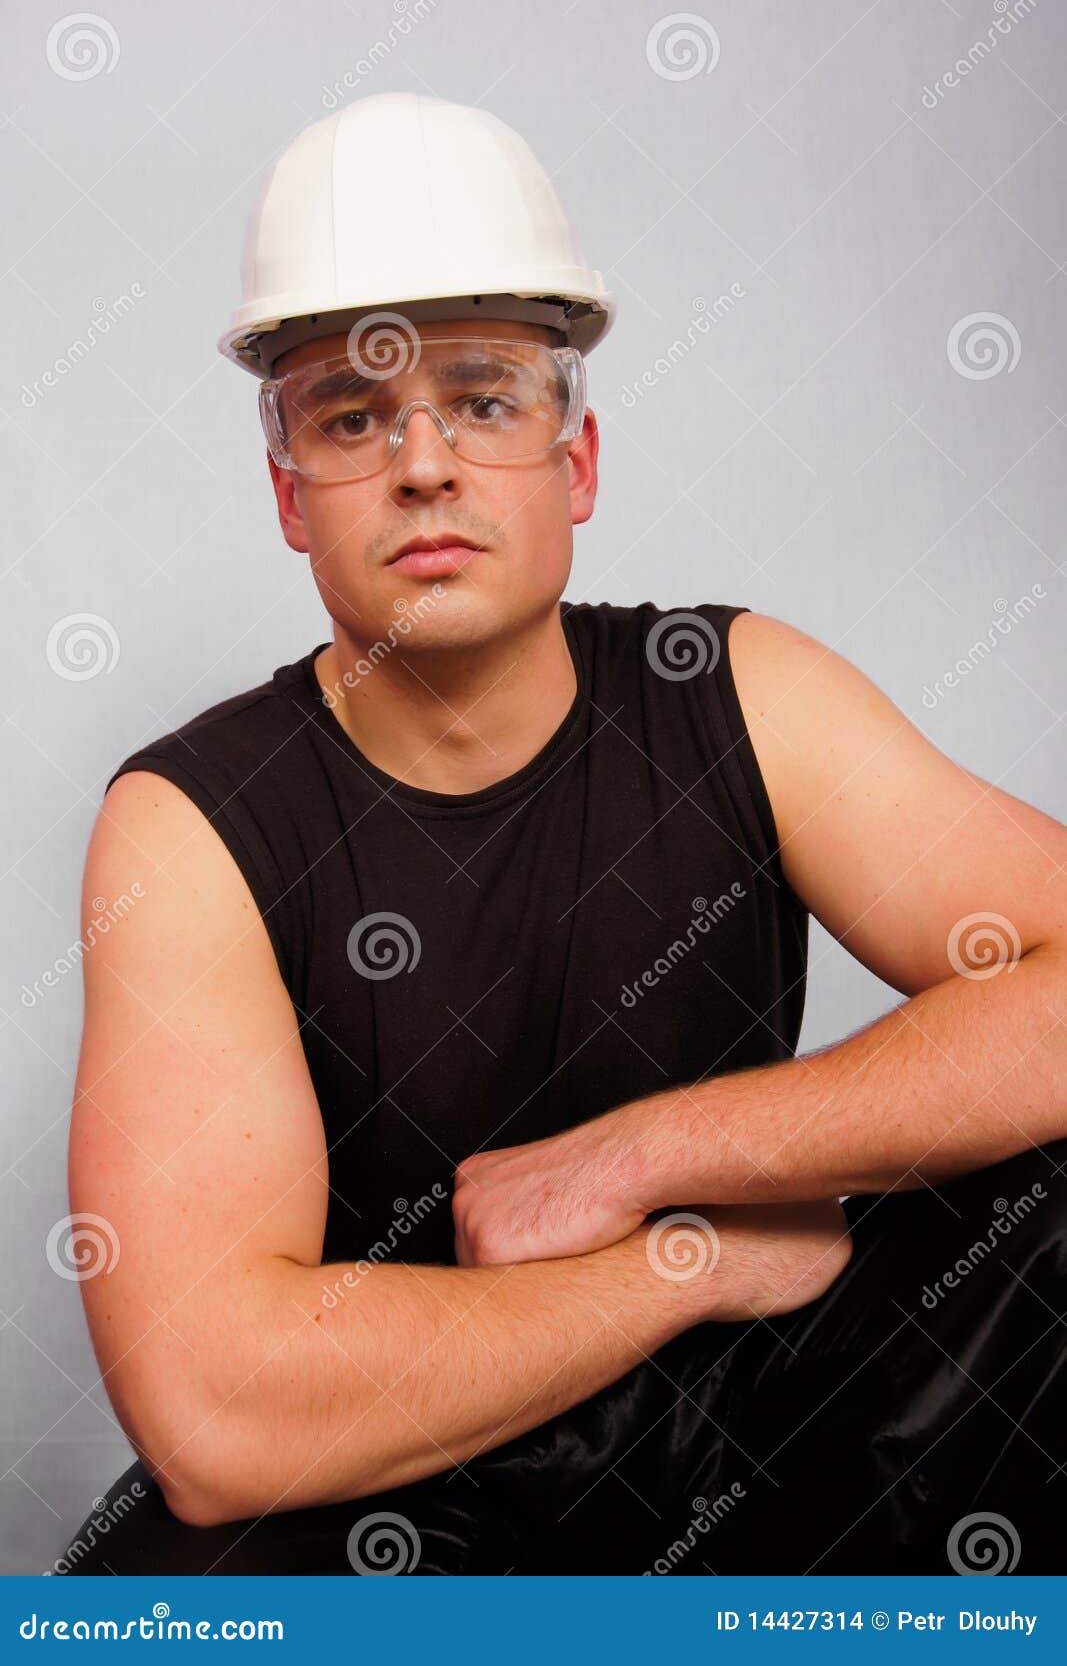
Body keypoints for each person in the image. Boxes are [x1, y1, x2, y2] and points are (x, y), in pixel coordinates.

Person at [59, 92, 1067, 1577]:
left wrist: (638, 1155)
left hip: (770, 1441)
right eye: (352, 417)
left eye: (481, 399)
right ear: (290, 496)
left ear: (576, 464)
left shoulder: (739, 690)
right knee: (158, 1602)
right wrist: (680, 1263)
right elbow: (213, 1407)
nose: (423, 465)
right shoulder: (192, 822)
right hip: (417, 1479)